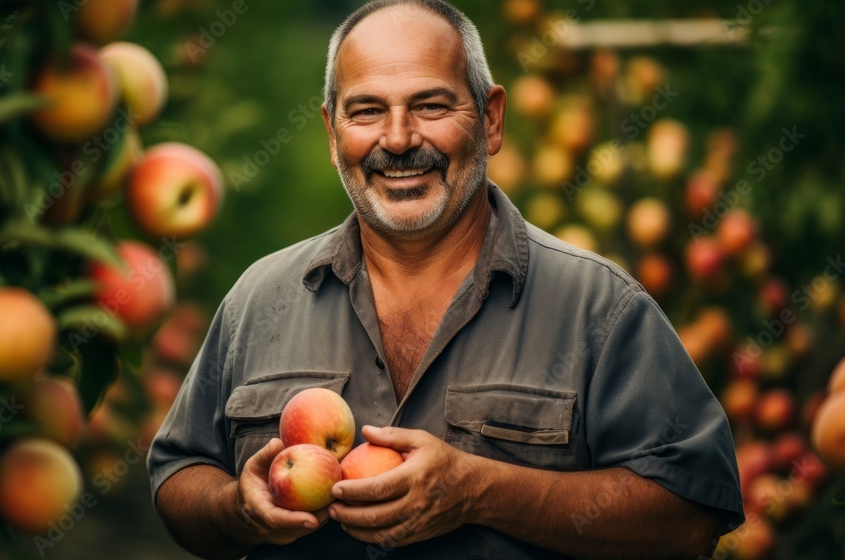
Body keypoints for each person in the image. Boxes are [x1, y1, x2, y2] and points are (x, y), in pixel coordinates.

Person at [148, 1, 744, 558]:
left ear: (490, 120)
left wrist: (482, 492)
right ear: (333, 134)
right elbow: (179, 472)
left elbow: (691, 512)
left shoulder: (598, 307)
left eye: (431, 106)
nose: (399, 139)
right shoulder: (262, 298)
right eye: (367, 110)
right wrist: (236, 509)